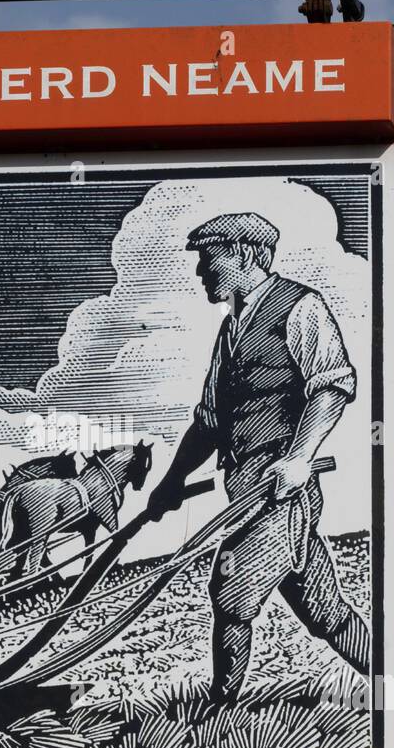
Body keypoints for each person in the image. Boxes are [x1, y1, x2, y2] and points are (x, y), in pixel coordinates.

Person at [146, 211, 371, 707]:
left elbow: (332, 386)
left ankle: (218, 713)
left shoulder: (301, 307)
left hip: (282, 494)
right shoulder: (230, 331)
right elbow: (208, 422)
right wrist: (170, 483)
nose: (201, 272)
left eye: (208, 259)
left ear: (245, 253)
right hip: (248, 494)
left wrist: (298, 458)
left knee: (229, 587)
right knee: (325, 612)